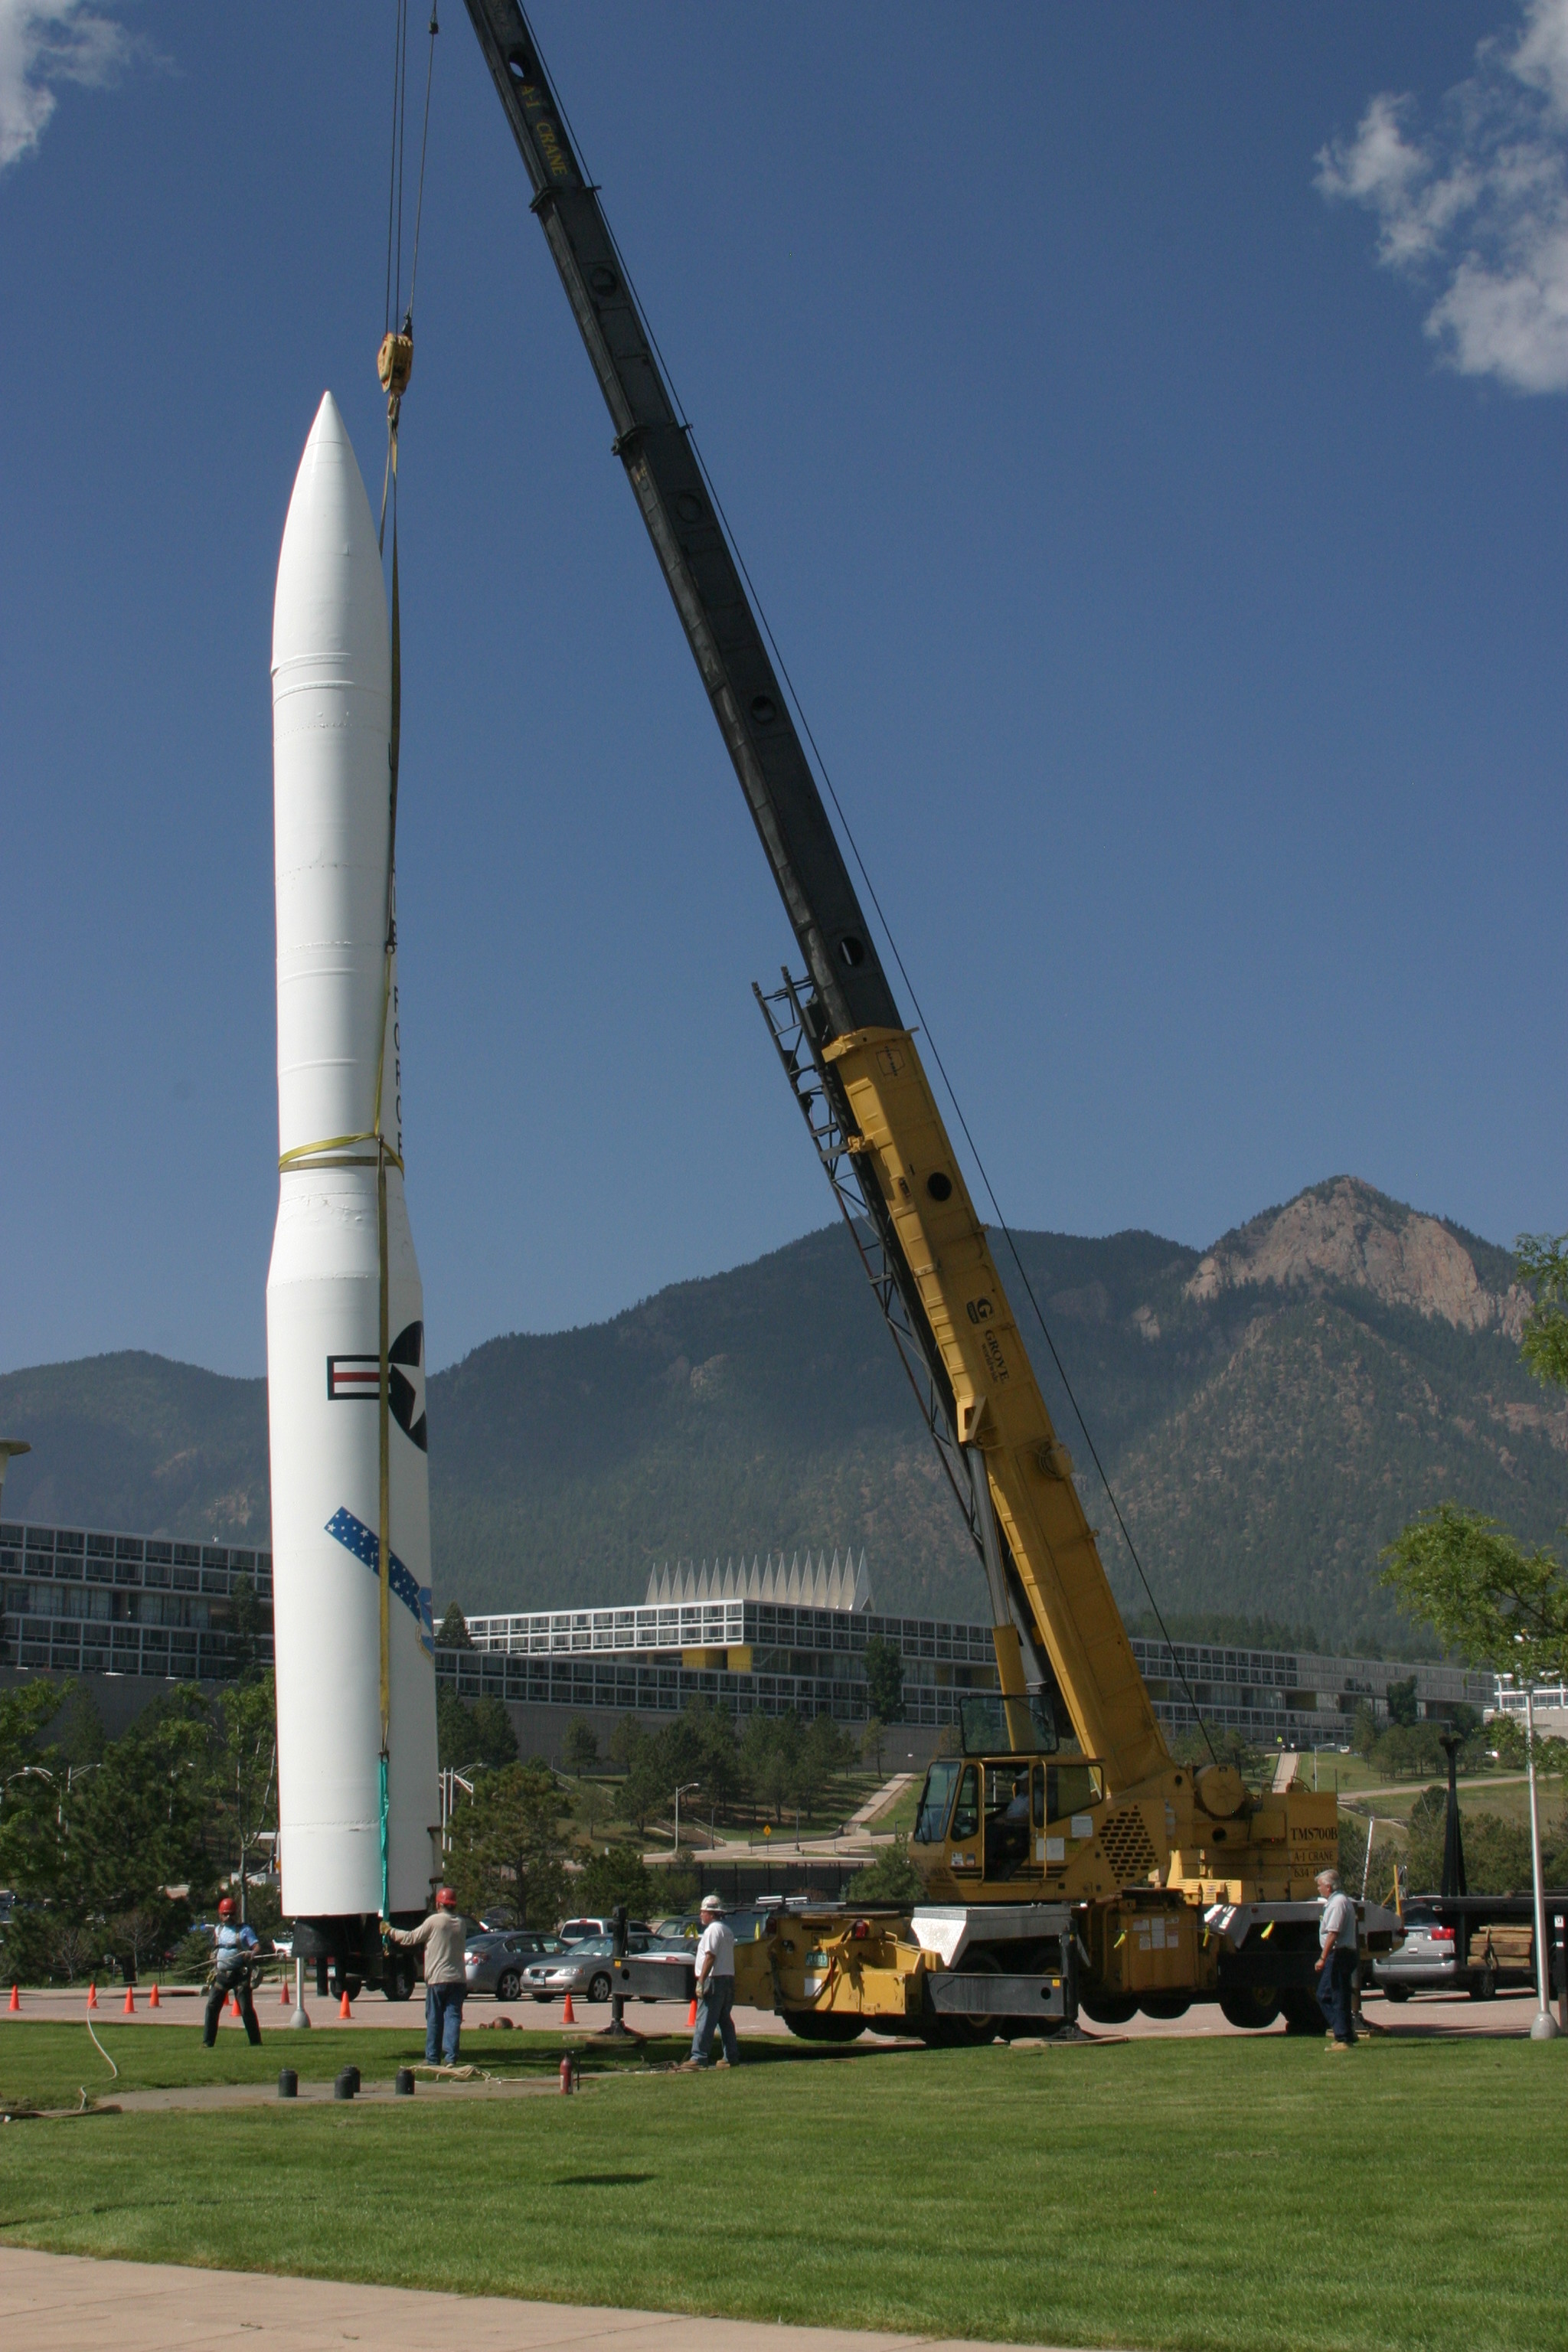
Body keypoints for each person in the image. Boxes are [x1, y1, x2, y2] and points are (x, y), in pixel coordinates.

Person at [385, 1886, 468, 2065]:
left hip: (438, 1979)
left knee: (434, 2019)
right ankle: (451, 2058)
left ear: (439, 1904)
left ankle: (432, 2058)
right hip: (458, 1979)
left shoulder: (434, 1921)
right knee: (453, 2018)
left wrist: (389, 1931)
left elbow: (411, 1938)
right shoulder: (461, 1924)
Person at [680, 1892, 740, 2070]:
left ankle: (698, 2057)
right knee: (724, 2020)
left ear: (712, 1914)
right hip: (727, 1979)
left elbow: (710, 1956)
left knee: (704, 2019)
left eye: (703, 1911)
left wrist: (701, 1980)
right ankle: (731, 2056)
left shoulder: (713, 1930)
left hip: (714, 1980)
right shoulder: (727, 1930)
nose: (701, 1915)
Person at [204, 1894, 262, 2048]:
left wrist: (252, 1953)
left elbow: (257, 1946)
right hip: (222, 1975)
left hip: (240, 1975)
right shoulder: (218, 1930)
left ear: (235, 1914)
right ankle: (207, 2042)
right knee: (211, 2007)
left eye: (231, 1914)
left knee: (246, 2009)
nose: (228, 1917)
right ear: (220, 1915)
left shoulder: (244, 1930)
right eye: (225, 1914)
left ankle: (255, 2041)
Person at [1315, 1867, 1358, 2048]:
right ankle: (1347, 2032)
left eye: (1320, 1886)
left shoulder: (1337, 1903)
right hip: (1343, 1953)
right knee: (1340, 1995)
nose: (1318, 1889)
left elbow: (1333, 1933)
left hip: (1339, 1954)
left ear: (1328, 1887)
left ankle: (1342, 2036)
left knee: (1328, 1995)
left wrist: (1322, 1958)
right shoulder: (1341, 1901)